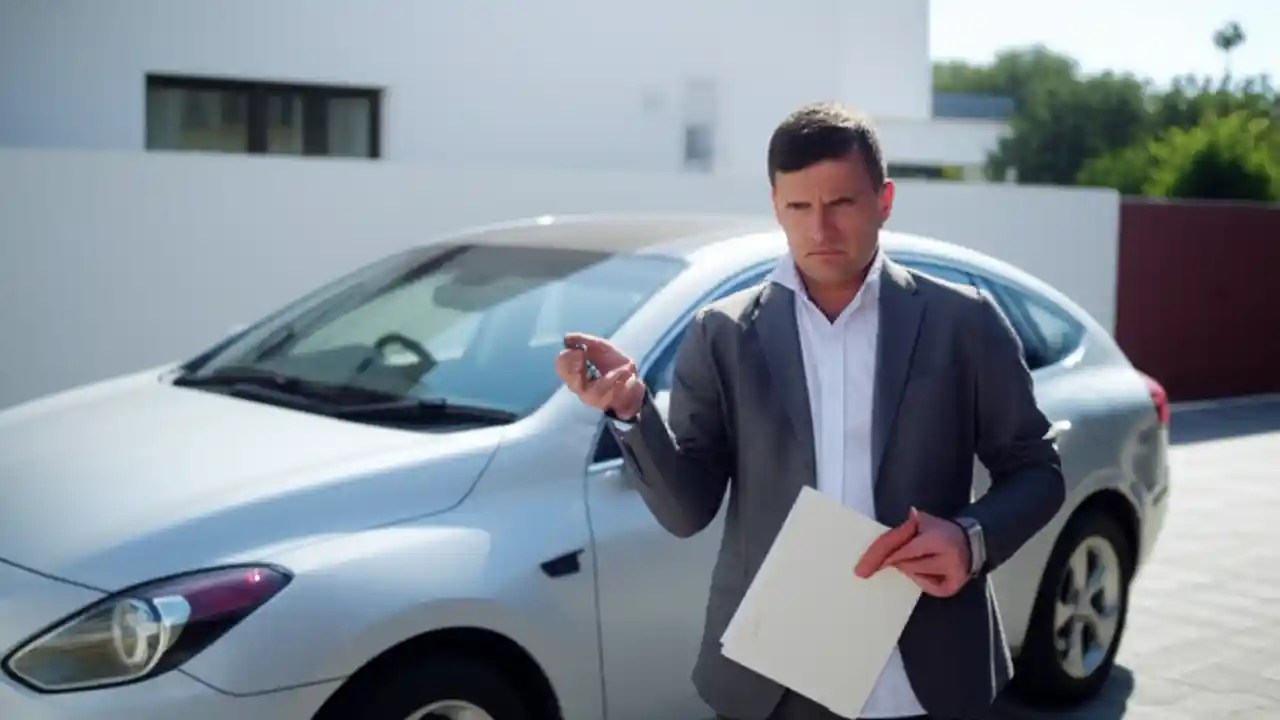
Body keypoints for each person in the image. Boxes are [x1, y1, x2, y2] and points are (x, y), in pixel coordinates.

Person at [553, 102, 1066, 720]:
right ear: (776, 206)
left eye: (842, 203)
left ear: (884, 200)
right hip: (773, 677)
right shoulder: (723, 333)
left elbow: (1037, 470)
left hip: (928, 675)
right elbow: (688, 510)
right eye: (799, 207)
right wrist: (632, 412)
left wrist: (970, 539)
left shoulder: (964, 321)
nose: (819, 229)